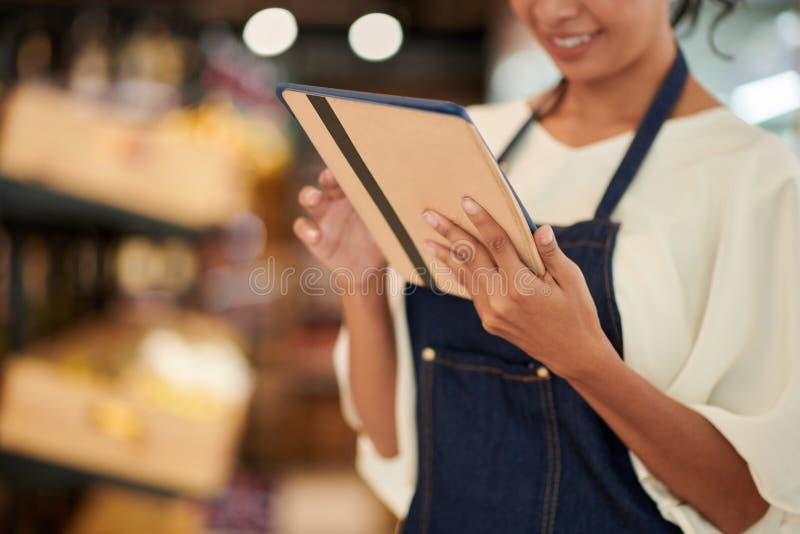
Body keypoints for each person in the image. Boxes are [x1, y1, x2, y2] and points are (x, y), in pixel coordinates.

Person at [292, 0, 800, 532]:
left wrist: (584, 360)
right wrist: (361, 277)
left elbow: (747, 505)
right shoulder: (466, 140)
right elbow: (390, 439)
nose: (553, 10)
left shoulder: (755, 181)